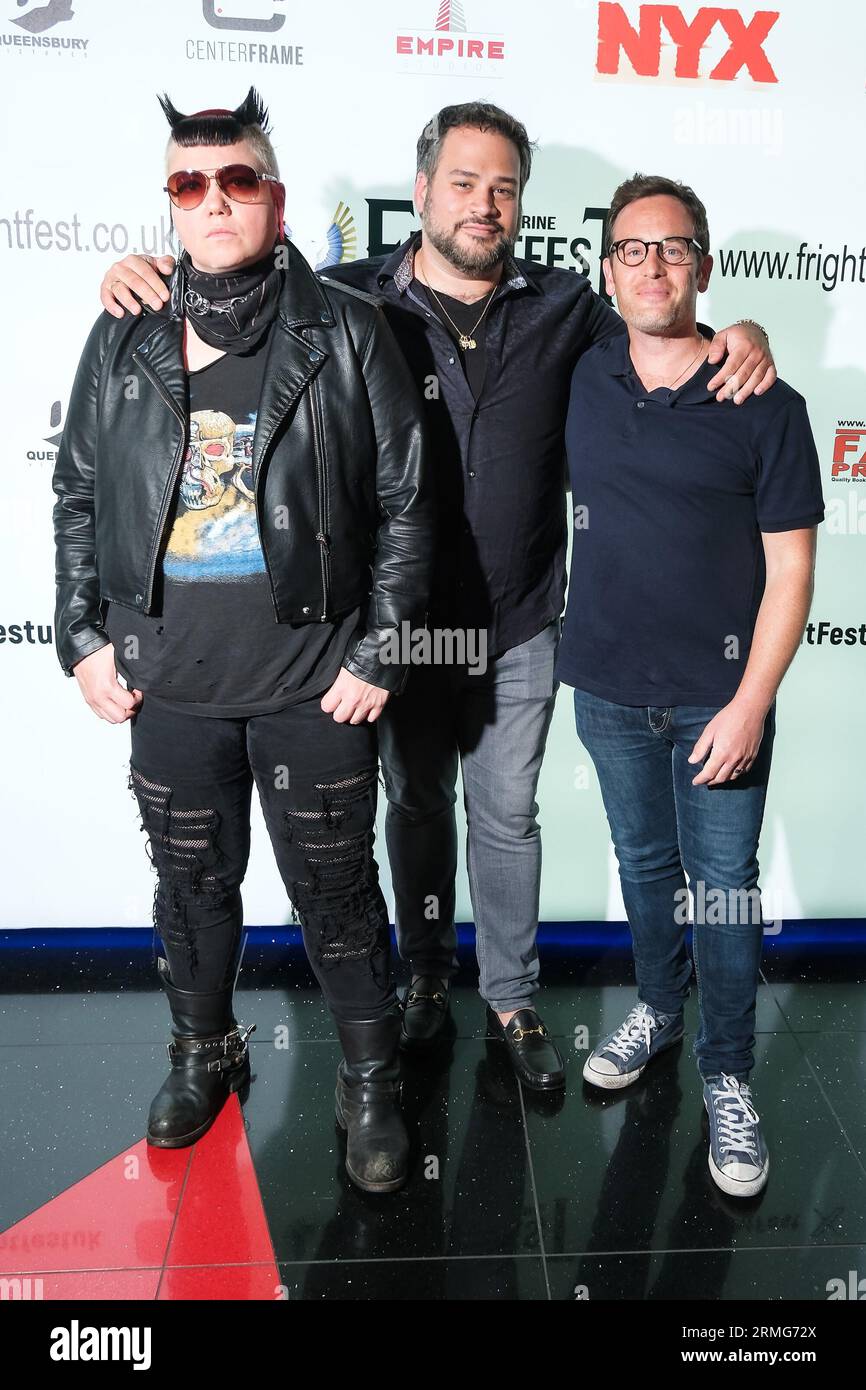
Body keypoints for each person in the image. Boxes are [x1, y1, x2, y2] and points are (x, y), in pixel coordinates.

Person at [96, 102, 777, 1095]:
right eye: (462, 182)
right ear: (420, 192)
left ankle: (508, 998)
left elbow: (657, 338)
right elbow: (226, 307)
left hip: (516, 617)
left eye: (502, 187)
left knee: (506, 816)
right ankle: (421, 981)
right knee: (415, 801)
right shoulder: (342, 304)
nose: (482, 203)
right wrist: (135, 275)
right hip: (392, 624)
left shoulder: (564, 306)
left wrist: (735, 328)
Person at [51, 87, 433, 1195]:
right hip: (164, 676)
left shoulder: (349, 327)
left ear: (271, 191)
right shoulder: (123, 328)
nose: (213, 202)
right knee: (190, 883)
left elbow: (407, 504)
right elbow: (77, 491)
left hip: (313, 681)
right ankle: (202, 1054)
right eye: (188, 184)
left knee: (336, 890)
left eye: (237, 180)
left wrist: (381, 649)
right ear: (169, 202)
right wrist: (80, 635)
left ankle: (368, 1081)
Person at [556, 174, 823, 1196]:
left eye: (672, 249)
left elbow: (791, 571)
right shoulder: (578, 376)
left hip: (721, 702)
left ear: (702, 268)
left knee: (720, 893)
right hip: (608, 693)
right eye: (632, 249)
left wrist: (750, 702)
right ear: (608, 268)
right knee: (640, 866)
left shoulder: (765, 401)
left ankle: (725, 1073)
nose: (652, 266)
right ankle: (656, 1009)